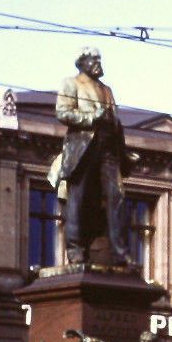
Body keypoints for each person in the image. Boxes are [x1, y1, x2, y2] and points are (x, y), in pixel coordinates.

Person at [52, 48, 131, 265]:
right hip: (83, 148)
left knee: (117, 197)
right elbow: (62, 112)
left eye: (98, 59)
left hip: (109, 148)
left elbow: (115, 122)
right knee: (79, 198)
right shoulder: (71, 83)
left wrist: (123, 151)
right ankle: (75, 250)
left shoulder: (106, 89)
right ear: (82, 62)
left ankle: (120, 252)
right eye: (93, 59)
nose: (97, 62)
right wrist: (91, 117)